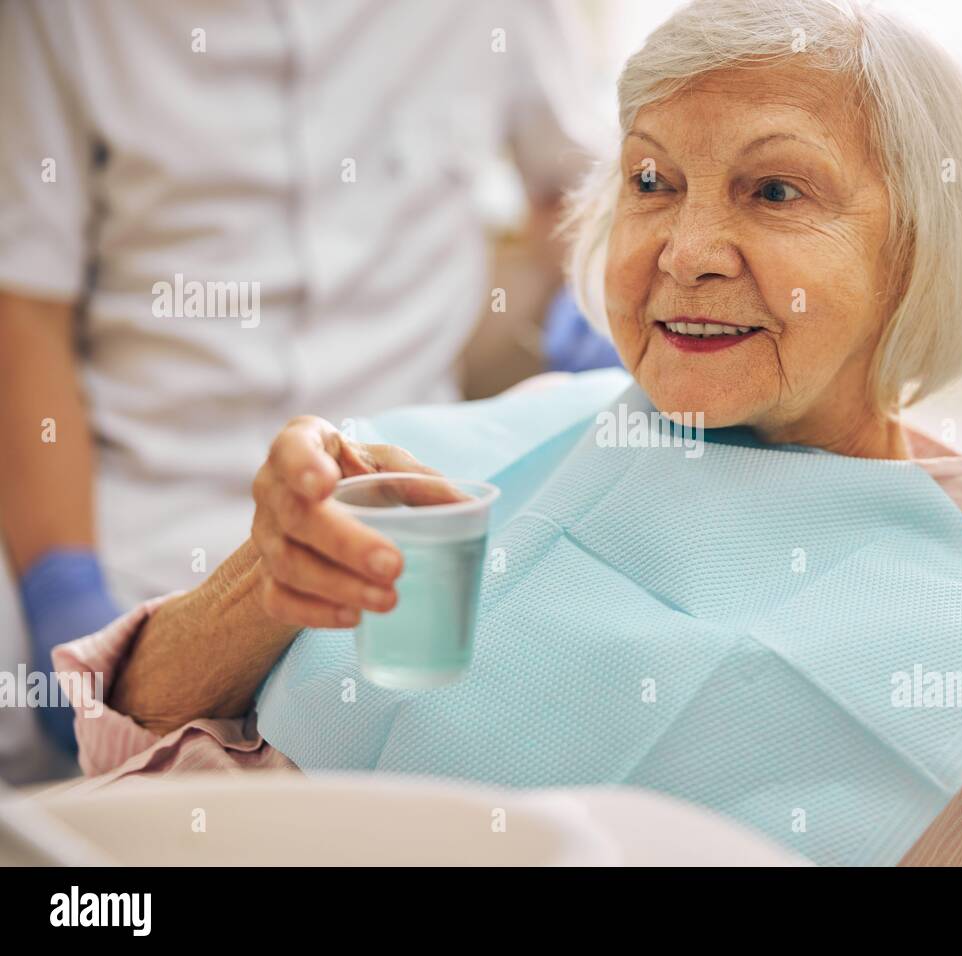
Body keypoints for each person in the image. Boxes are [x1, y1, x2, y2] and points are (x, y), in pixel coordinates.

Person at [51, 0, 962, 865]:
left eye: (774, 190)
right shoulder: (478, 451)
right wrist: (264, 585)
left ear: (917, 250)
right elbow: (130, 724)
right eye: (650, 181)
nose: (684, 252)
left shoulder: (931, 660)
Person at [0, 0, 594, 768]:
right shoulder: (56, 17)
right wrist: (61, 588)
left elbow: (574, 178)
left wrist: (602, 294)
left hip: (396, 512)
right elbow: (25, 305)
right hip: (132, 515)